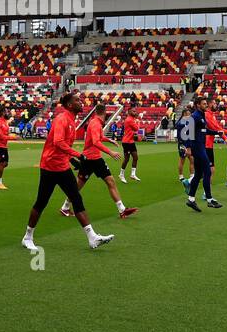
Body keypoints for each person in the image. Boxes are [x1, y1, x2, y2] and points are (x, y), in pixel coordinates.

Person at [20, 92, 114, 253]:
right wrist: (78, 155)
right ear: (70, 105)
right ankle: (27, 237)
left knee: (76, 198)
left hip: (62, 166)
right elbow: (57, 142)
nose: (81, 101)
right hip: (49, 167)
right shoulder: (62, 119)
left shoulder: (71, 120)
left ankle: (92, 238)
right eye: (77, 100)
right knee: (41, 202)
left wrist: (72, 160)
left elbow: (63, 146)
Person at [60, 102, 135, 219]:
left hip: (95, 158)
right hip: (89, 159)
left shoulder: (96, 123)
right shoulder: (95, 124)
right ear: (104, 112)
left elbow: (98, 138)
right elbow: (95, 141)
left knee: (110, 181)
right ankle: (65, 207)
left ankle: (122, 209)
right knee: (78, 186)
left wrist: (109, 140)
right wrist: (110, 152)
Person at [182, 97, 223, 211]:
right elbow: (187, 132)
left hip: (200, 147)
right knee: (207, 172)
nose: (206, 105)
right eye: (204, 104)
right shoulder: (194, 116)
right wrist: (188, 148)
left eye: (206, 103)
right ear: (197, 105)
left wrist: (217, 132)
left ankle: (191, 199)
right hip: (197, 148)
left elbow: (203, 131)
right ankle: (209, 200)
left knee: (198, 174)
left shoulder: (201, 116)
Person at [118, 108, 142, 182]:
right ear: (129, 112)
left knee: (135, 157)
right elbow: (136, 129)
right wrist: (138, 121)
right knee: (127, 159)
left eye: (135, 111)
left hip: (131, 141)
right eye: (133, 111)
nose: (135, 112)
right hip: (126, 142)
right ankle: (121, 175)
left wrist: (137, 119)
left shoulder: (131, 119)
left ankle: (133, 174)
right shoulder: (129, 120)